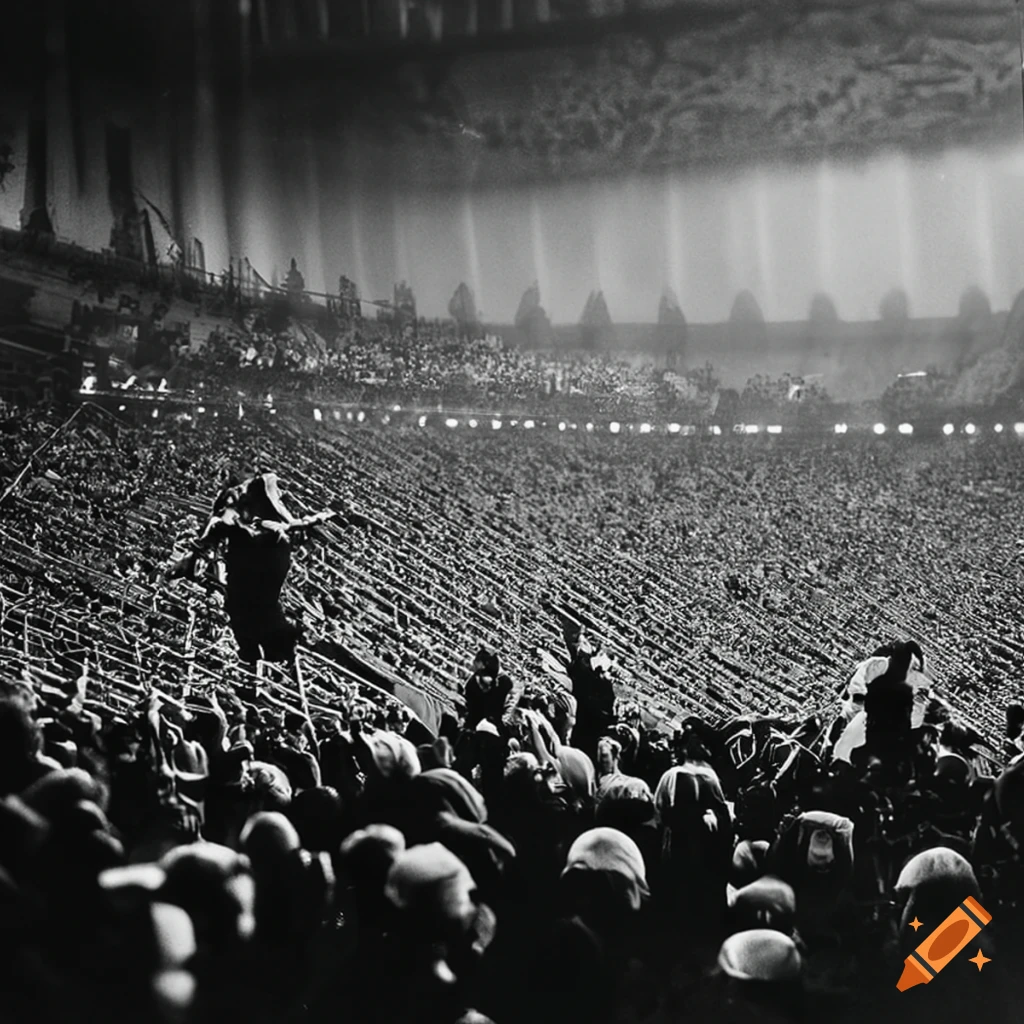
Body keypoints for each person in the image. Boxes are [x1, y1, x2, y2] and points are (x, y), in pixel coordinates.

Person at [166, 472, 334, 668]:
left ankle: (267, 655)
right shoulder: (227, 525)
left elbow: (288, 526)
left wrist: (316, 519)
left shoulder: (260, 524)